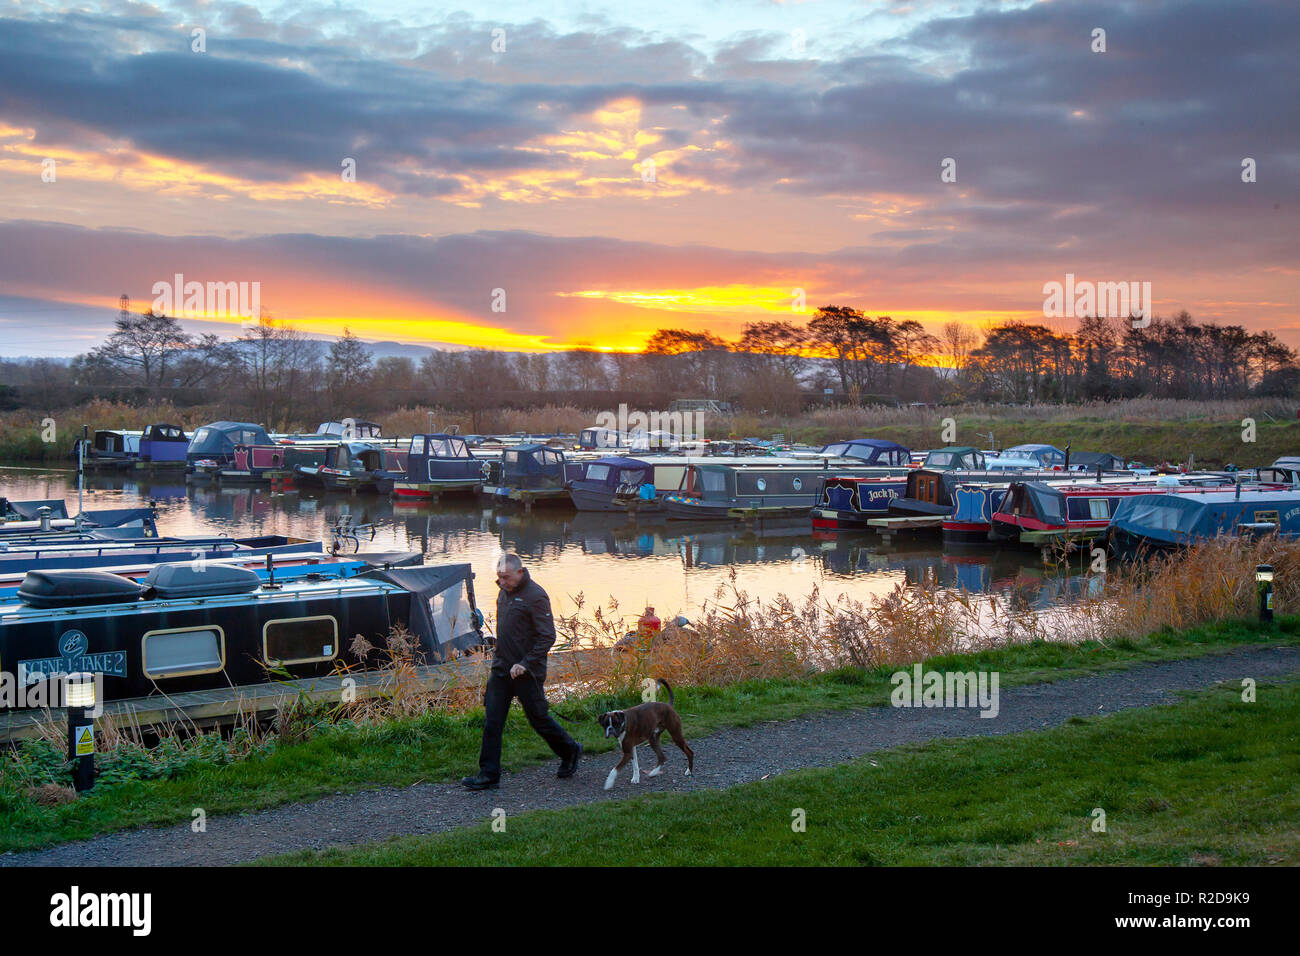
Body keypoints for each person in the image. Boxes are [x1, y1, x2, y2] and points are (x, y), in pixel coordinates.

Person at [461, 553, 582, 790]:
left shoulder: (536, 596)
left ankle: (570, 750)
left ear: (520, 572)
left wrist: (525, 663)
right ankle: (489, 774)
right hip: (501, 670)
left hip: (528, 673)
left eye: (506, 577)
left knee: (538, 719)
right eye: (499, 577)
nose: (502, 582)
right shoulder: (503, 593)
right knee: (493, 721)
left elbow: (547, 636)